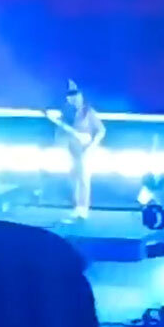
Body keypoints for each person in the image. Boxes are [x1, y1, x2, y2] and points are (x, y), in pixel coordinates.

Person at [48, 80, 106, 222]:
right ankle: (76, 208)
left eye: (76, 96)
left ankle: (83, 208)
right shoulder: (66, 114)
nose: (74, 99)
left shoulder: (88, 112)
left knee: (84, 179)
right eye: (71, 97)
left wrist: (92, 145)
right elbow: (60, 132)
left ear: (81, 97)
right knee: (74, 180)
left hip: (86, 151)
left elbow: (101, 130)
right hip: (72, 151)